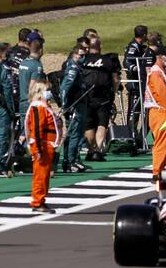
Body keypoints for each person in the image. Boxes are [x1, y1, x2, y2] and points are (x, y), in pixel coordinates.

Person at [78, 36, 119, 161]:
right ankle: (98, 150)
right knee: (102, 124)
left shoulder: (83, 59)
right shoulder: (108, 60)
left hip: (86, 96)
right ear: (100, 46)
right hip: (103, 96)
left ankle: (91, 149)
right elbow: (116, 79)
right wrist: (114, 91)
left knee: (89, 125)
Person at [25, 79, 62, 215]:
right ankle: (37, 202)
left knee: (45, 175)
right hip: (42, 145)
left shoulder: (44, 106)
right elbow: (37, 129)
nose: (50, 93)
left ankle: (41, 200)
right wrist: (38, 149)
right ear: (40, 92)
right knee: (40, 175)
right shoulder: (38, 107)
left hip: (47, 145)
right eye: (48, 90)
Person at [143, 46, 166, 179]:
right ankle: (157, 172)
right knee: (162, 142)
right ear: (160, 57)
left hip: (161, 111)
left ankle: (160, 169)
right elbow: (163, 94)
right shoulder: (156, 72)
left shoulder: (160, 72)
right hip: (160, 111)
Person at [57, 45, 89, 174]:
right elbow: (64, 87)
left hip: (77, 105)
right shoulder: (72, 68)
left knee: (75, 134)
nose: (83, 58)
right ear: (74, 55)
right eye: (81, 55)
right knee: (74, 134)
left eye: (84, 55)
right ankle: (70, 162)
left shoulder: (77, 67)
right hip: (74, 106)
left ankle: (73, 160)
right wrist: (65, 105)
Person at [122, 25, 152, 134]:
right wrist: (136, 68)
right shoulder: (133, 47)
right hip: (135, 84)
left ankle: (140, 135)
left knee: (145, 110)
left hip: (142, 83)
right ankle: (131, 134)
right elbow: (126, 61)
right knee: (134, 110)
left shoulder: (140, 46)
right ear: (144, 35)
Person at [0, 43, 14, 177]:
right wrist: (11, 110)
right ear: (0, 54)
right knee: (2, 137)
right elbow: (7, 92)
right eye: (5, 53)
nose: (7, 55)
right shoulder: (2, 70)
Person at [16, 37, 45, 125]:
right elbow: (33, 88)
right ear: (40, 50)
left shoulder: (23, 62)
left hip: (22, 101)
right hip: (30, 103)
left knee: (24, 129)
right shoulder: (36, 66)